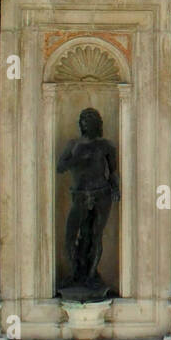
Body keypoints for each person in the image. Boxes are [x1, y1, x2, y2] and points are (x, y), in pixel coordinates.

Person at [56, 107, 120, 293]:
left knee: (94, 235)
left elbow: (113, 172)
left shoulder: (106, 146)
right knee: (71, 236)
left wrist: (116, 188)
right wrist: (77, 159)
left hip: (101, 194)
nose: (85, 124)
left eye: (89, 120)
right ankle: (76, 272)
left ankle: (91, 275)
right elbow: (60, 167)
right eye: (83, 120)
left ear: (96, 124)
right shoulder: (73, 145)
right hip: (80, 195)